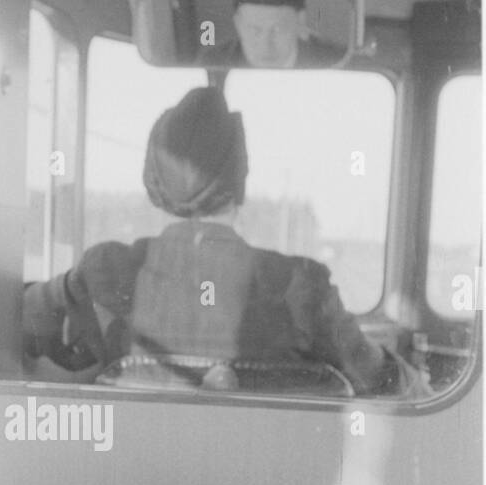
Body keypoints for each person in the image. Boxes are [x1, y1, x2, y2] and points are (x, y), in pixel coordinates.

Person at [23, 87, 421, 396]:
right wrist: (413, 375)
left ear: (153, 182)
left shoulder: (103, 271)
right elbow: (378, 380)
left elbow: (28, 318)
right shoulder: (303, 285)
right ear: (240, 182)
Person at [208, 0, 343, 69]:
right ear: (238, 24)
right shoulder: (214, 62)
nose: (265, 46)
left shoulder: (335, 62)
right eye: (255, 30)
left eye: (277, 30)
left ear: (300, 22)